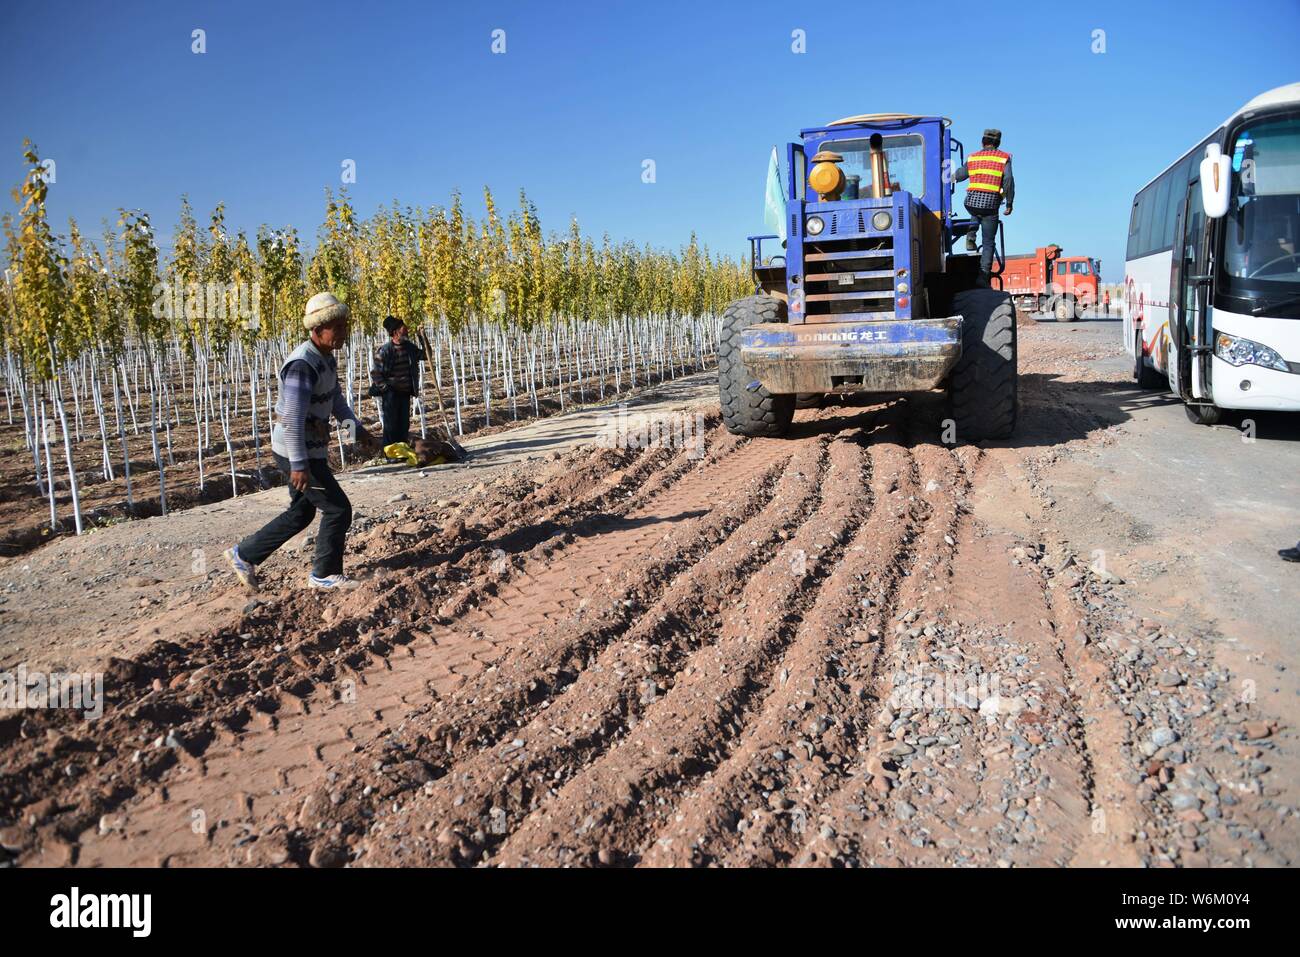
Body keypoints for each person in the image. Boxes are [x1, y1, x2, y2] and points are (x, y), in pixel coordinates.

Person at [224, 292, 379, 591]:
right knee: (337, 509)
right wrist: (299, 465)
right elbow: (293, 419)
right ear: (319, 329)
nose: (344, 332)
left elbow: (335, 401)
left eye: (345, 325)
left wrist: (356, 432)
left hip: (309, 449)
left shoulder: (325, 359)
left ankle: (244, 555)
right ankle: (324, 574)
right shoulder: (302, 365)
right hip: (298, 451)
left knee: (302, 512)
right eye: (339, 327)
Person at [955, 129, 1015, 285]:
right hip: (990, 206)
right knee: (988, 242)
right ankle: (983, 276)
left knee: (975, 211)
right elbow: (1008, 180)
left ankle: (971, 235)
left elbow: (959, 176)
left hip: (971, 203)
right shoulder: (1004, 158)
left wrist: (948, 172)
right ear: (998, 143)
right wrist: (1009, 203)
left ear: (982, 142)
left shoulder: (973, 157)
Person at [371, 315, 426, 450]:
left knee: (403, 425)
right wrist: (385, 388)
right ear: (396, 332)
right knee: (391, 425)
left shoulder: (409, 348)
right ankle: (390, 453)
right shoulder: (384, 350)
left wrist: (422, 338)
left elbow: (425, 355)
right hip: (391, 394)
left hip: (405, 393)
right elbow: (376, 373)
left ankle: (401, 452)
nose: (406, 329)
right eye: (403, 327)